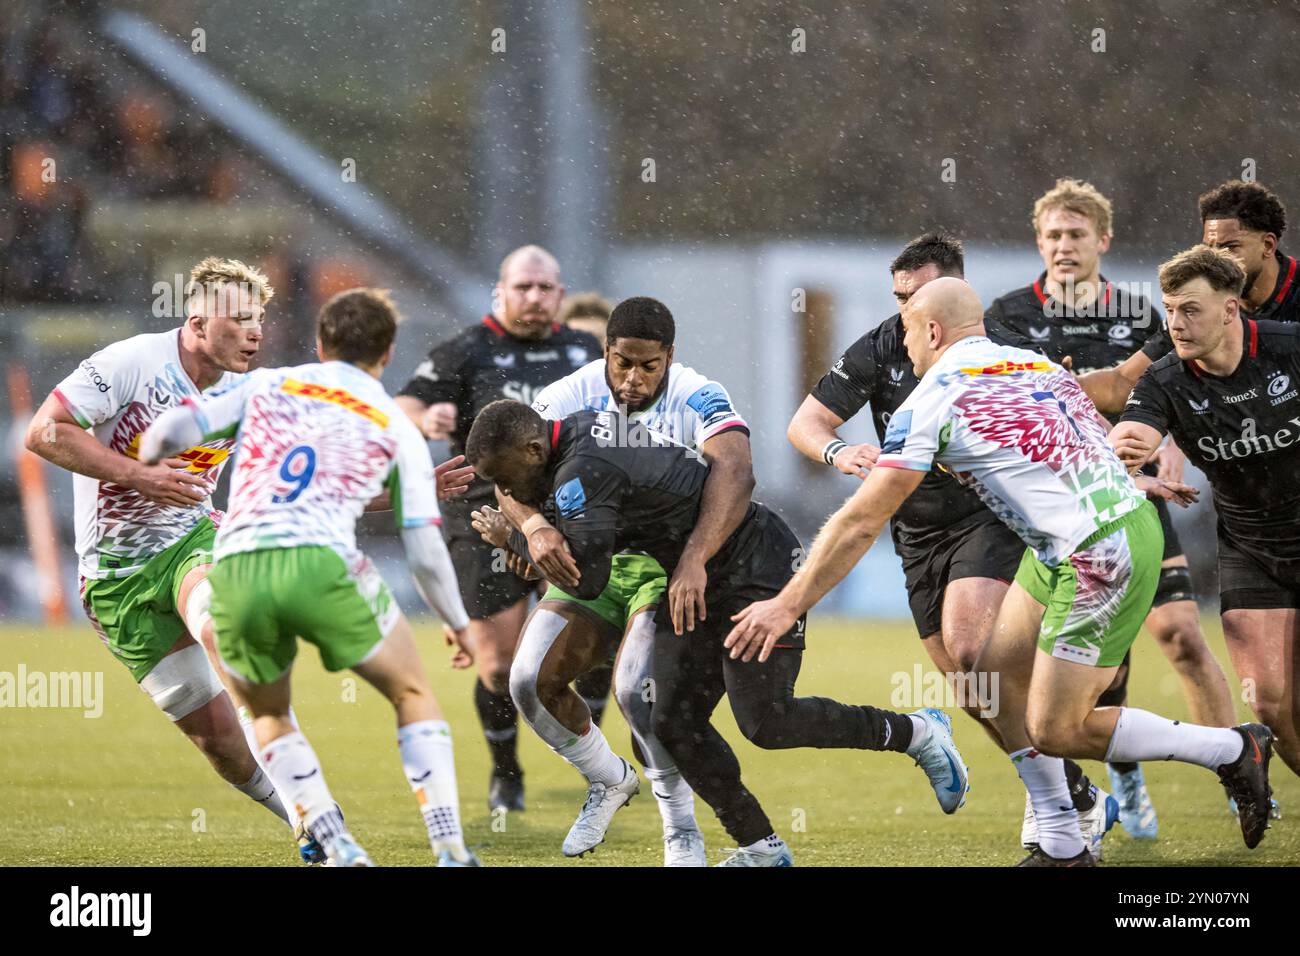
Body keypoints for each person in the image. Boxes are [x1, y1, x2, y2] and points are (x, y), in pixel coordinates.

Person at [728, 277, 1276, 865]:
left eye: (908, 329)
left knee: (1055, 729)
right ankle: (1064, 846)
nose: (903, 343)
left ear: (932, 331)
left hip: (1101, 552)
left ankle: (1231, 747)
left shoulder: (931, 397)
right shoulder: (1032, 365)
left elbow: (861, 522)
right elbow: (1072, 450)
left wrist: (786, 604)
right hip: (1080, 538)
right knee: (988, 682)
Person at [465, 400, 970, 867]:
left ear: (533, 450)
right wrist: (537, 532)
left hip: (757, 570)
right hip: (691, 581)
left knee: (767, 722)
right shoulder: (576, 430)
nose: (502, 489)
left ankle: (918, 733)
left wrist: (514, 537)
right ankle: (760, 847)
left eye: (501, 477)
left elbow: (590, 579)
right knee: (668, 717)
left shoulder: (581, 470)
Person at [789, 231, 1116, 855]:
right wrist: (838, 449)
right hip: (914, 530)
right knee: (974, 690)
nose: (902, 310)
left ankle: (1058, 817)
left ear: (951, 295)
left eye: (914, 298)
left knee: (974, 648)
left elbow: (1076, 414)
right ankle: (1072, 795)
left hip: (987, 518)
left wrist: (1128, 459)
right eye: (896, 296)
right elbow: (805, 421)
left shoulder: (997, 347)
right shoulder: (886, 340)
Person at [138, 288, 477, 867]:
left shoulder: (268, 384)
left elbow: (170, 433)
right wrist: (456, 620)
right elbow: (422, 544)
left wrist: (150, 453)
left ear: (321, 345)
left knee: (268, 714)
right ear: (388, 353)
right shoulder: (396, 423)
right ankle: (449, 848)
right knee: (411, 691)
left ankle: (336, 842)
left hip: (238, 569)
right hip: (321, 563)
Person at [24, 256, 325, 862]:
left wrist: (410, 490)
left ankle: (316, 811)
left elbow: (305, 484)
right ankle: (291, 805)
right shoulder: (132, 362)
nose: (254, 332)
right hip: (115, 582)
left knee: (220, 618)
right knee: (221, 746)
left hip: (193, 541)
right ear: (195, 323)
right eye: (239, 319)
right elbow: (44, 431)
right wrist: (138, 474)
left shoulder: (248, 392)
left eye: (259, 319)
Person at [985, 178, 1235, 838]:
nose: (1065, 247)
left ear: (1104, 240)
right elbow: (1025, 411)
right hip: (1064, 510)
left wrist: (1171, 437)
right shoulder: (1008, 317)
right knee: (1098, 662)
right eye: (1053, 236)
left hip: (1134, 498)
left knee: (1182, 634)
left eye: (1077, 235)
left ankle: (1236, 773)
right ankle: (1121, 775)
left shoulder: (1140, 312)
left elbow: (1178, 379)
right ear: (1039, 243)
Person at [473, 296, 752, 865]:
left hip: (666, 565)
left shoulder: (699, 393)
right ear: (606, 350)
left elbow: (737, 469)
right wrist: (534, 527)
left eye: (649, 366)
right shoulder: (567, 394)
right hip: (591, 553)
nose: (632, 379)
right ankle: (608, 780)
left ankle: (681, 831)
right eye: (622, 362)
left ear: (671, 358)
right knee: (528, 680)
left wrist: (696, 558)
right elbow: (513, 469)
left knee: (636, 692)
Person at [395, 245, 600, 812]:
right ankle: (506, 773)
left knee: (591, 647)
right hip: (483, 518)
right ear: (500, 292)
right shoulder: (468, 349)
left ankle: (600, 767)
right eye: (522, 287)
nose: (533, 297)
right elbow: (401, 404)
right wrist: (423, 417)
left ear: (560, 295)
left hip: (567, 514)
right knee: (500, 664)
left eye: (544, 287)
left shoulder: (585, 350)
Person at [1112, 244, 1300, 782]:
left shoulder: (1288, 347)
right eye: (1169, 309)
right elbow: (1137, 429)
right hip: (1250, 547)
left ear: (1230, 309)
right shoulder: (1164, 380)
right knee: (1267, 703)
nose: (1174, 322)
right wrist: (1128, 446)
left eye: (1189, 309)